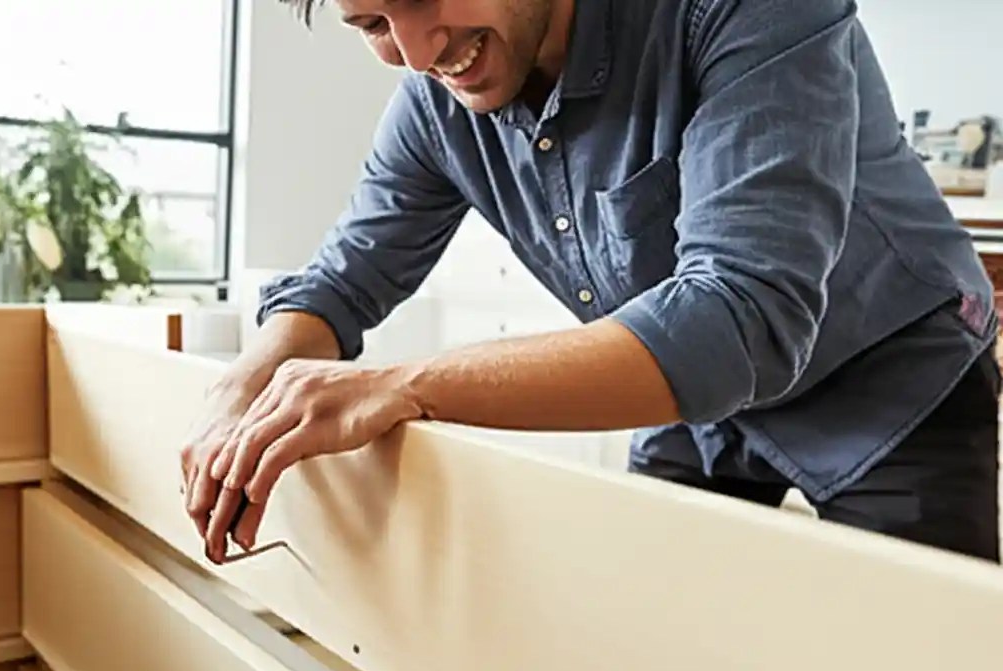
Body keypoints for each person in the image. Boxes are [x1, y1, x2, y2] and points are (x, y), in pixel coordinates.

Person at [179, 0, 1001, 566]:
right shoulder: (433, 105)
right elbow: (342, 279)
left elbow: (739, 317)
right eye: (372, 24)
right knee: (654, 645)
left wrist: (404, 387)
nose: (420, 52)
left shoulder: (746, 9)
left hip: (892, 377)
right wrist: (245, 381)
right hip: (699, 407)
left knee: (911, 669)